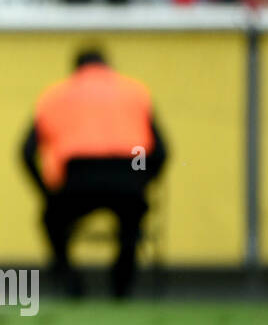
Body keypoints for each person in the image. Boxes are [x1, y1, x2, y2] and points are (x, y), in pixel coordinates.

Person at [20, 49, 168, 298]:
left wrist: (47, 193)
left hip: (77, 179)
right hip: (128, 174)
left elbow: (26, 153)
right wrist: (142, 182)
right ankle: (122, 286)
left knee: (52, 220)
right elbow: (161, 152)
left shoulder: (55, 96)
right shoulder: (135, 93)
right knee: (130, 225)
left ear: (76, 68)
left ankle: (71, 282)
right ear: (107, 66)